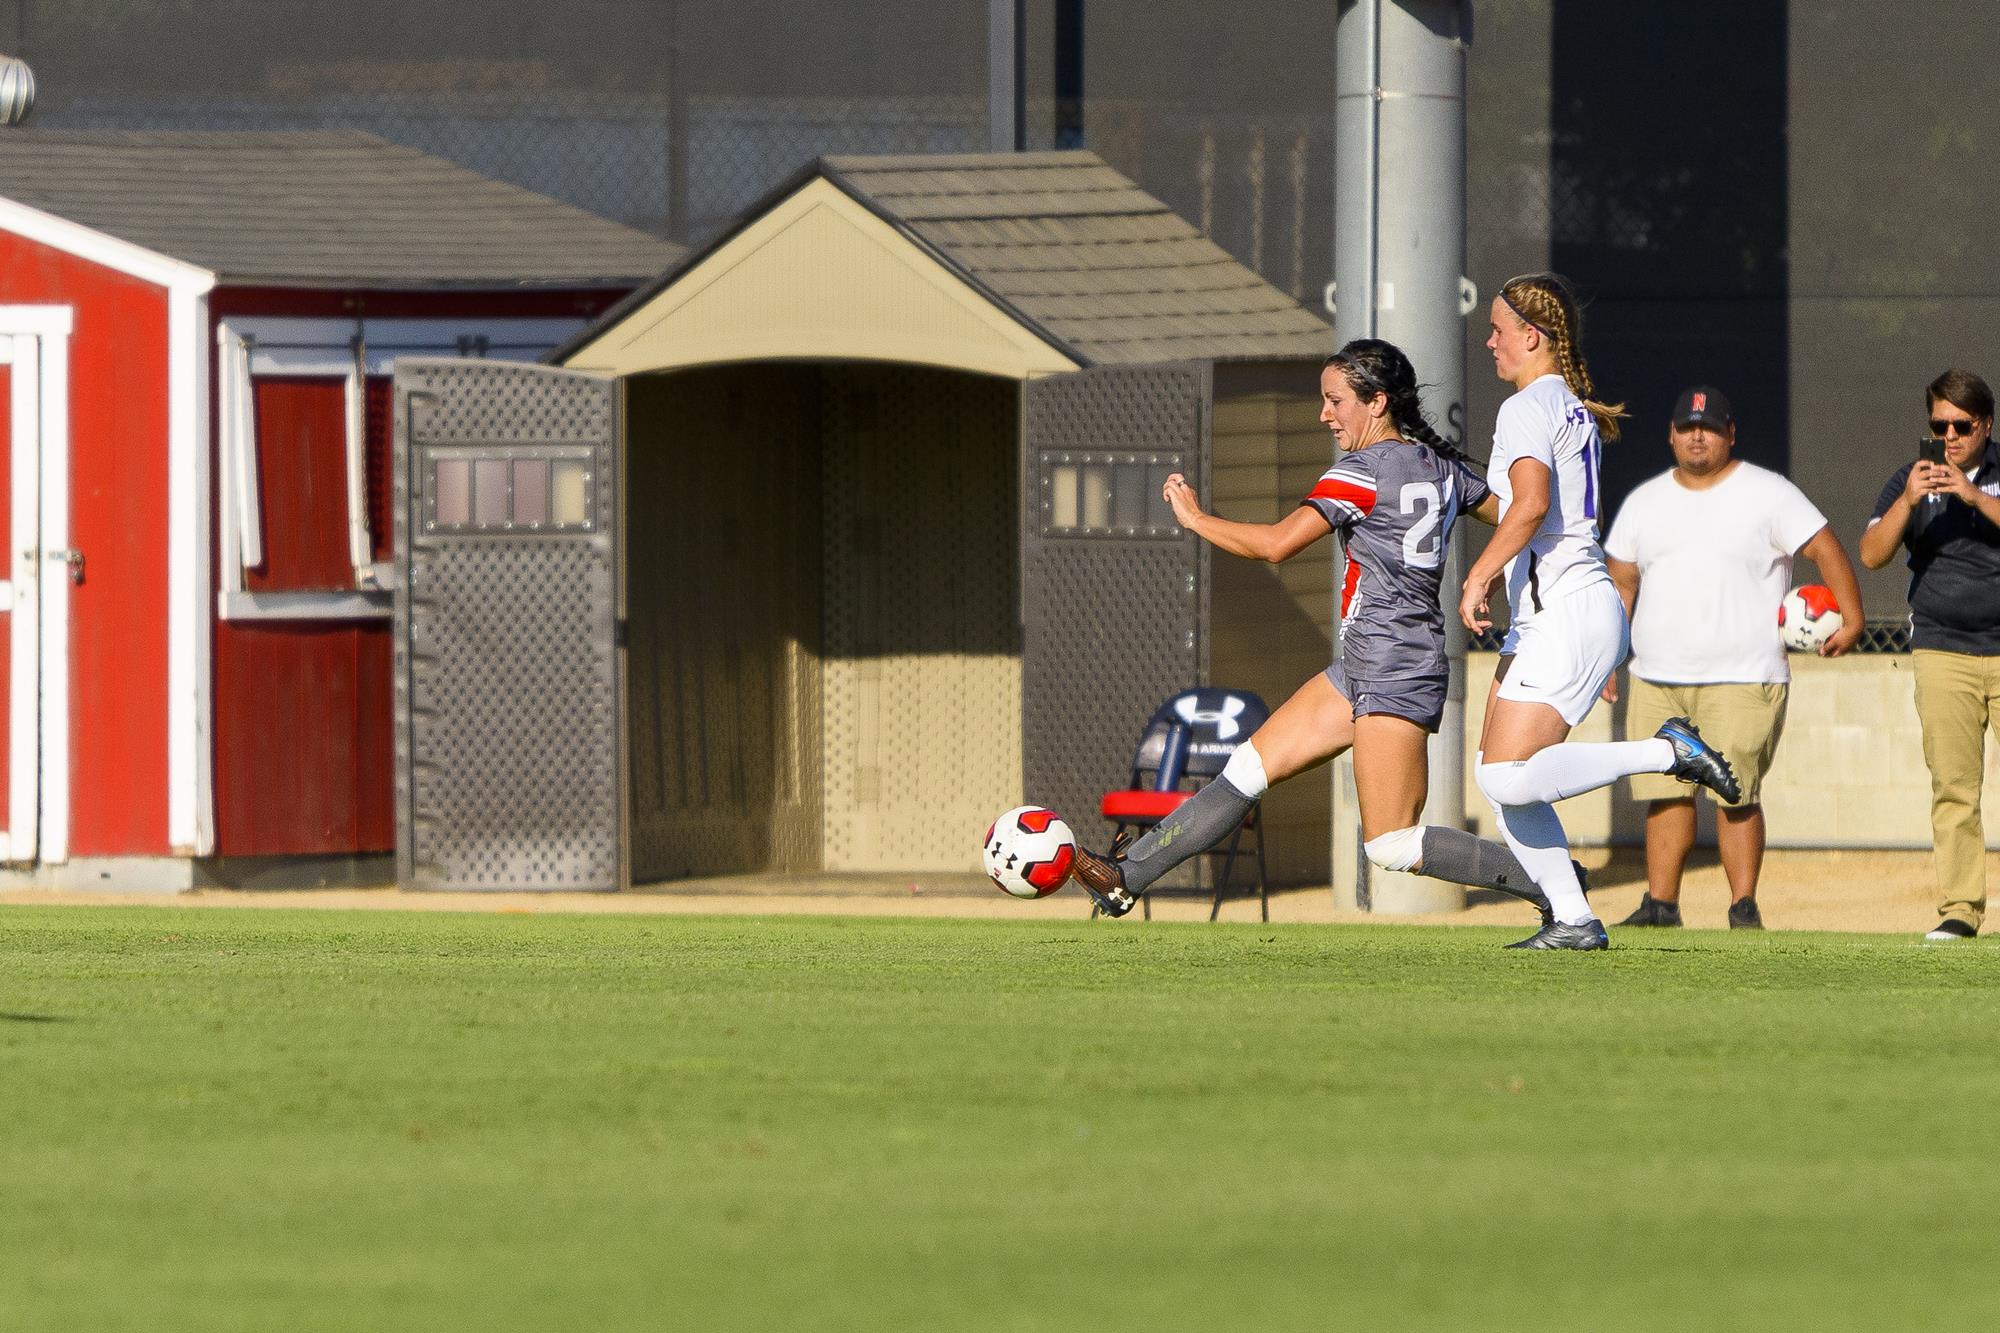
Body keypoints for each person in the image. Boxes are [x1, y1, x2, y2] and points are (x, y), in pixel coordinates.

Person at [1069, 339, 1572, 927]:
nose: (1324, 414)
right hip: (1364, 665)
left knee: (1390, 843)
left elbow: (1276, 545)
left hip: (1396, 670)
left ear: (1377, 402)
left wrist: (1196, 519)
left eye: (1335, 401)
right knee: (1247, 770)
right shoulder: (1440, 468)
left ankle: (1553, 882)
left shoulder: (1359, 472)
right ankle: (1127, 876)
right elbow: (1518, 512)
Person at [1456, 273, 1742, 950]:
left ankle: (1665, 749)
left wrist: (1479, 572)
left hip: (1567, 614)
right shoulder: (1567, 406)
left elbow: (1528, 506)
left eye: (1498, 328)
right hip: (1563, 611)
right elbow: (1545, 515)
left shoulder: (1526, 407)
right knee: (1500, 785)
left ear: (1532, 336)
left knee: (1504, 775)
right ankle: (1574, 917)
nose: (1489, 340)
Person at [1603, 385, 1865, 930]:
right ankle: (1660, 905)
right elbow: (1620, 583)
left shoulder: (1768, 492)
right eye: (1688, 426)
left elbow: (1825, 546)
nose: (1698, 435)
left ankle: (1743, 907)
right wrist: (1605, 658)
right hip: (1657, 677)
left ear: (1731, 434)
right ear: (1671, 434)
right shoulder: (1645, 501)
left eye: (1711, 426)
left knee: (1736, 793)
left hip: (1744, 676)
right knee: (1663, 793)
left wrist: (1854, 617)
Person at [1858, 368, 2000, 942]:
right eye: (1938, 425)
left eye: (1961, 425)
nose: (1949, 437)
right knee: (1954, 788)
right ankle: (1961, 909)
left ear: (1985, 425)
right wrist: (1909, 502)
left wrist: (1969, 494)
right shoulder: (1908, 480)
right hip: (1944, 650)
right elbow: (1871, 554)